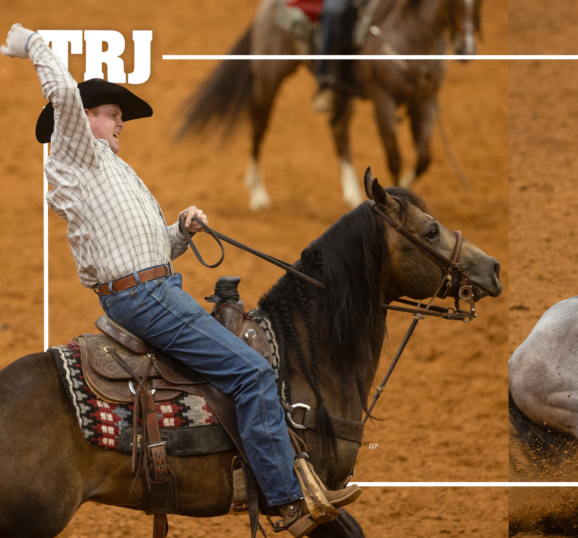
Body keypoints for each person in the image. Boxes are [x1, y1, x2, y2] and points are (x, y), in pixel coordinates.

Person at [2, 23, 357, 536]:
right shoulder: (74, 151)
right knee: (253, 372)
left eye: (121, 118)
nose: (120, 124)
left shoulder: (112, 170)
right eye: (112, 115)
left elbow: (140, 252)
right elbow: (61, 92)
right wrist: (32, 42)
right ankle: (286, 501)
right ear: (81, 120)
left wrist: (180, 232)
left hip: (151, 286)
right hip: (145, 297)